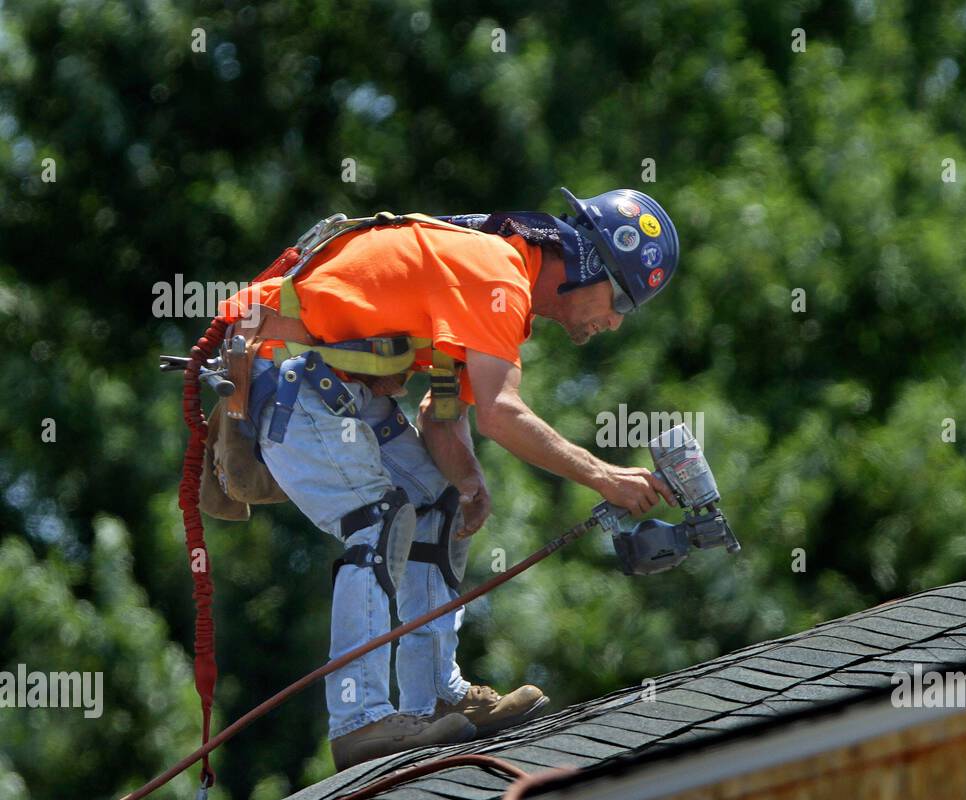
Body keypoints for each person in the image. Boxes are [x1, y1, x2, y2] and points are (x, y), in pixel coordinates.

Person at [215, 188, 680, 770]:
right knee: (378, 517)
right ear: (586, 263)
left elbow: (443, 418)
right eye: (620, 301)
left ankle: (431, 695)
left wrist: (469, 483)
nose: (613, 322)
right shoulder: (498, 273)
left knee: (439, 505)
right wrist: (605, 475)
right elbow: (501, 413)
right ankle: (359, 722)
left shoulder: (492, 277)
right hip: (284, 376)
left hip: (330, 387)